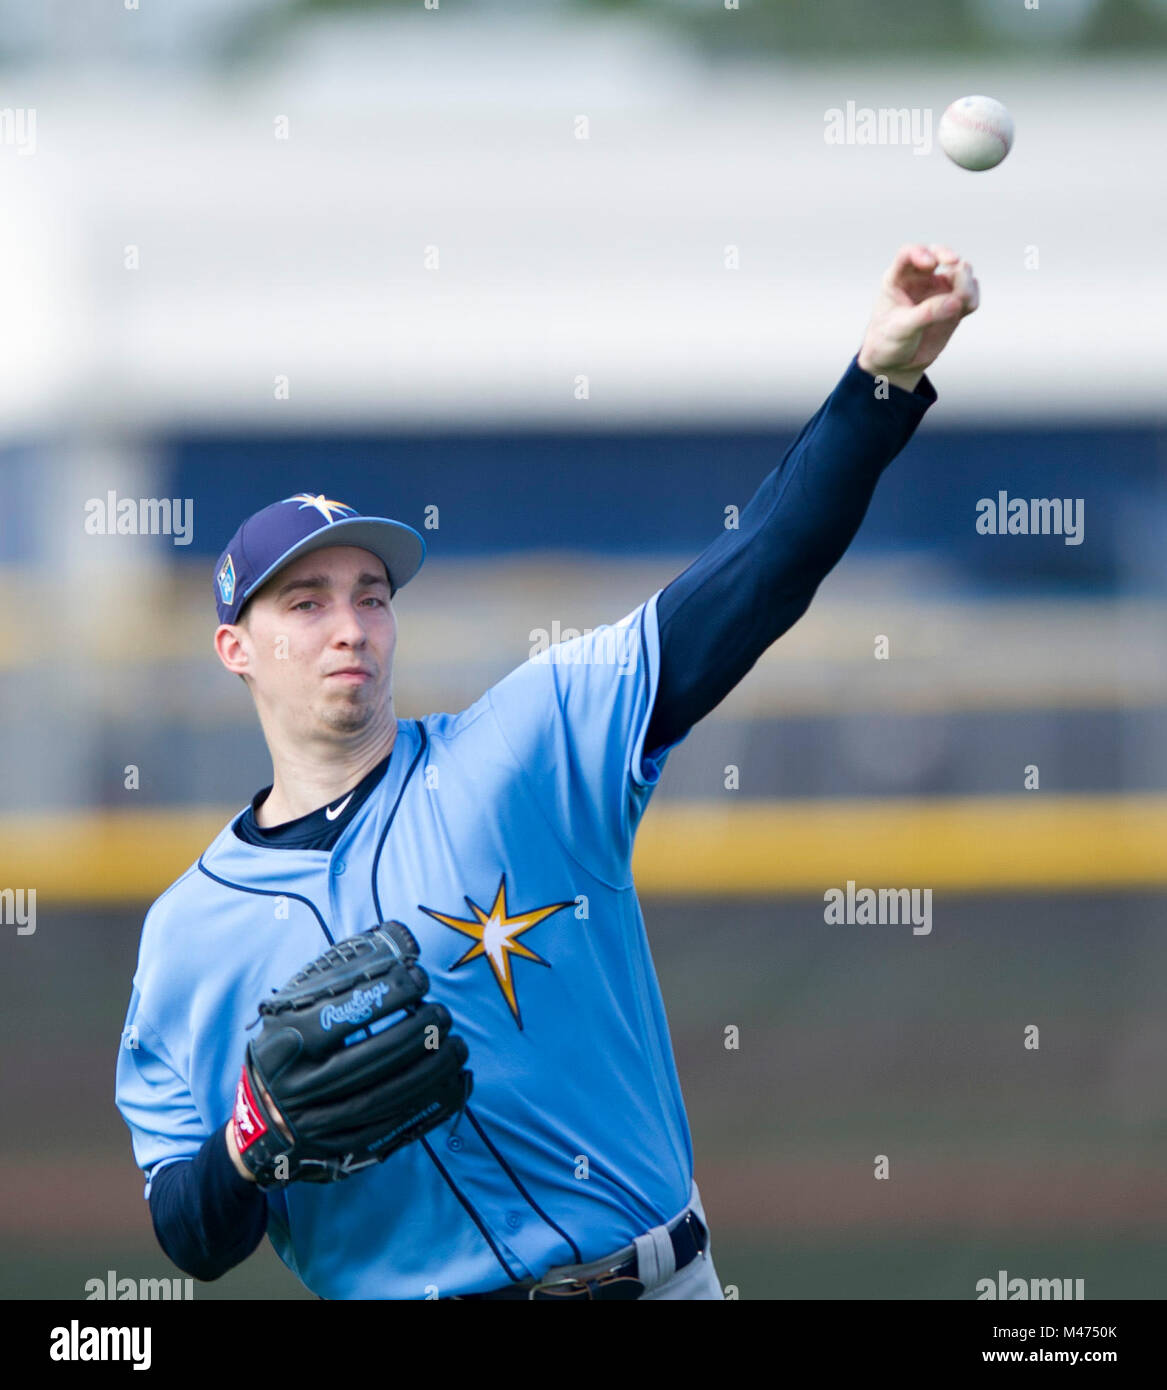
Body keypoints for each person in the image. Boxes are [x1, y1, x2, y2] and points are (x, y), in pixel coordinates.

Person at [115, 244, 978, 1300]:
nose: (350, 625)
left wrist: (877, 384)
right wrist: (255, 1137)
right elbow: (187, 1230)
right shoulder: (188, 932)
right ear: (234, 648)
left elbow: (757, 566)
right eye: (305, 602)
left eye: (371, 593)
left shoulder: (526, 748)